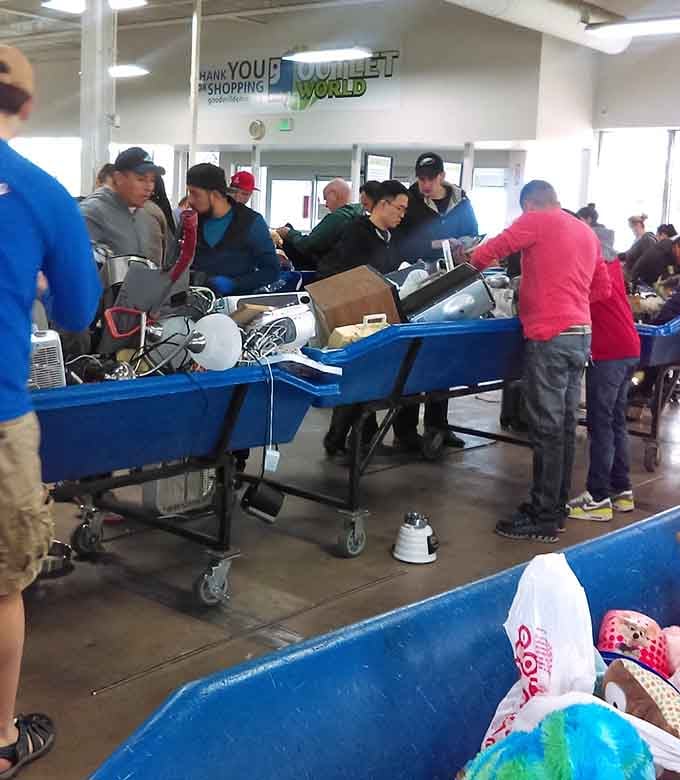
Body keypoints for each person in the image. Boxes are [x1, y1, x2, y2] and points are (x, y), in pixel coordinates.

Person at [0, 45, 101, 777]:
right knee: (2, 582)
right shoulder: (37, 192)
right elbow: (78, 308)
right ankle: (1, 738)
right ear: (26, 107)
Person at [470, 180, 611, 543]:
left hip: (549, 335)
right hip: (581, 334)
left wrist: (466, 265)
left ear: (529, 203)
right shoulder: (586, 232)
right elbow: (603, 289)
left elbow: (489, 253)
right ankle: (557, 506)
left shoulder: (538, 219)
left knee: (547, 428)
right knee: (563, 426)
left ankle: (544, 516)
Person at [391, 152, 479, 453]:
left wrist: (462, 247)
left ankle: (438, 425)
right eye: (421, 179)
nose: (425, 184)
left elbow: (473, 234)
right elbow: (401, 241)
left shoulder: (462, 202)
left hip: (452, 281)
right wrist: (439, 245)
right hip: (418, 281)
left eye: (430, 179)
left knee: (444, 354)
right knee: (415, 354)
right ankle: (404, 430)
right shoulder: (411, 202)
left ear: (442, 176)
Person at [321, 181, 409, 456]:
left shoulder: (389, 238)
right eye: (399, 208)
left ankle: (350, 437)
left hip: (378, 318)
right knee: (358, 377)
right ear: (383, 204)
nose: (402, 214)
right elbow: (346, 273)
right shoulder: (357, 233)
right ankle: (346, 437)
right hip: (355, 318)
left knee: (367, 378)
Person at [567, 252, 640, 522]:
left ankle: (597, 498)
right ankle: (621, 491)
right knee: (616, 421)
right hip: (629, 347)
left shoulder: (583, 265)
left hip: (608, 352)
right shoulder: (607, 263)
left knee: (601, 424)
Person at [186, 163, 279, 295]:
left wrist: (235, 283)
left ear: (214, 195)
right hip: (196, 303)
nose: (190, 200)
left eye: (195, 194)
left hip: (236, 308)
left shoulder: (251, 222)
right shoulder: (192, 222)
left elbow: (271, 271)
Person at [80, 147, 165, 265]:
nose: (149, 187)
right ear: (119, 178)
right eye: (141, 179)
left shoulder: (144, 214)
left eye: (152, 180)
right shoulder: (92, 212)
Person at [276, 179, 363, 270]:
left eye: (326, 199)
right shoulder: (357, 213)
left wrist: (288, 233)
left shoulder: (339, 217)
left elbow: (309, 245)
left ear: (333, 195)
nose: (326, 205)